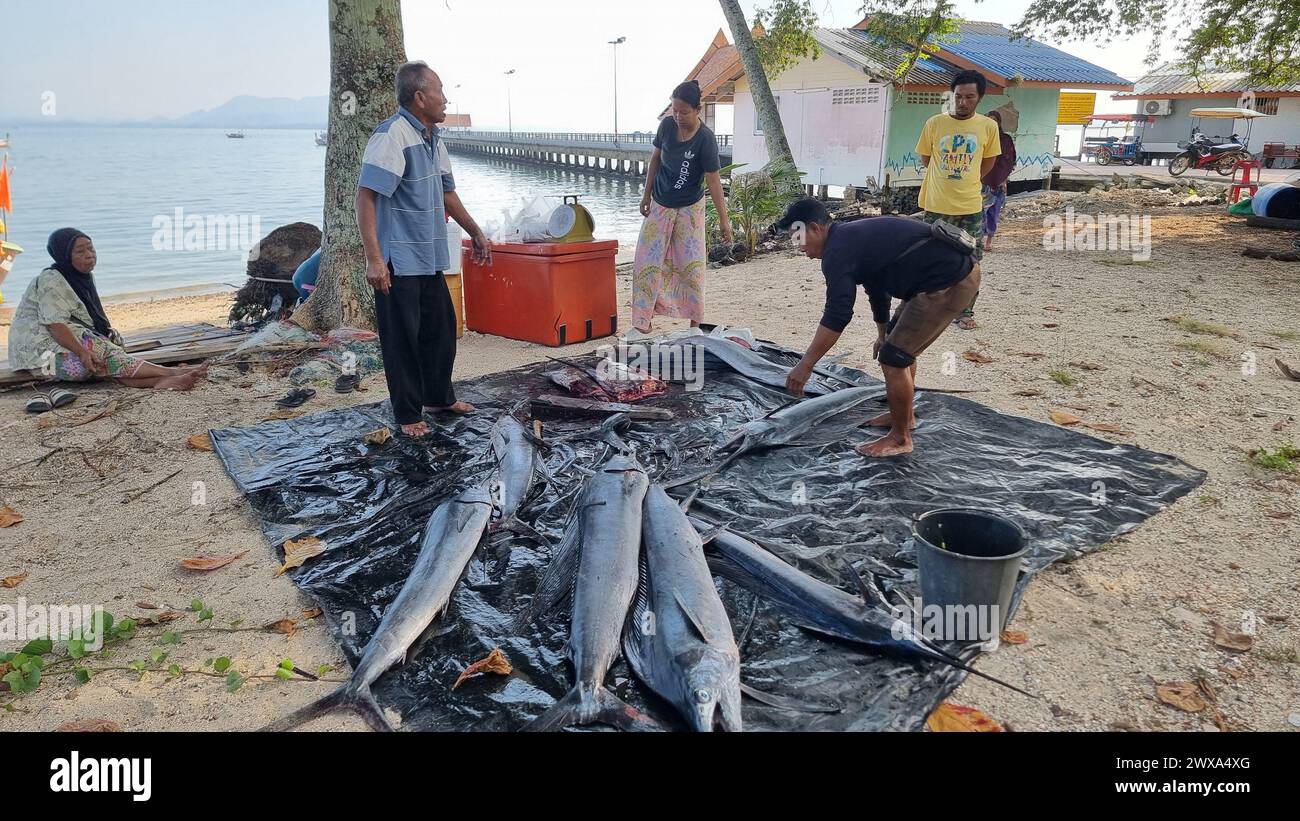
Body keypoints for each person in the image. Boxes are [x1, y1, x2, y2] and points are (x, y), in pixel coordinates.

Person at [779, 198, 980, 458]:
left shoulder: (837, 252)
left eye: (798, 239)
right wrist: (882, 333)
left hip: (949, 281)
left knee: (894, 359)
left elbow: (838, 315)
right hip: (935, 278)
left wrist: (805, 365)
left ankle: (900, 438)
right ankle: (904, 418)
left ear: (816, 228)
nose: (800, 249)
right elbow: (877, 287)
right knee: (894, 348)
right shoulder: (848, 237)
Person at [356, 61, 491, 438]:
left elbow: (447, 193)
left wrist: (475, 231)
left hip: (429, 255)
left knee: (441, 331)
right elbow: (365, 198)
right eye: (441, 91)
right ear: (420, 97)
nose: (446, 98)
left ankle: (437, 398)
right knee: (402, 341)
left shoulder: (433, 138)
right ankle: (407, 413)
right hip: (398, 259)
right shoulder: (392, 136)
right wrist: (374, 258)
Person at [7, 228, 208, 404]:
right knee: (97, 359)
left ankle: (159, 380)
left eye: (91, 249)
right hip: (37, 354)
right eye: (80, 251)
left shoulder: (82, 277)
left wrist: (100, 343)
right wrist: (83, 351)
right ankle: (172, 372)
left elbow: (90, 320)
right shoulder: (51, 279)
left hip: (62, 338)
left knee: (105, 355)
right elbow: (55, 325)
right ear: (64, 255)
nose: (89, 255)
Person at [630, 80, 733, 335]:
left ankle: (694, 323)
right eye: (674, 110)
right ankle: (643, 319)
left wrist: (724, 220)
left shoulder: (705, 139)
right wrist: (646, 195)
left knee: (691, 265)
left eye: (683, 112)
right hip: (660, 202)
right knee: (647, 261)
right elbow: (655, 160)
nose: (678, 116)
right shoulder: (666, 126)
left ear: (698, 110)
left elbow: (713, 181)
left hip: (690, 208)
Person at [914, 69, 1000, 330]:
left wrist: (968, 179)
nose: (963, 102)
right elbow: (927, 159)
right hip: (936, 204)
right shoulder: (935, 124)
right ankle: (930, 309)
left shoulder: (988, 126)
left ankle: (965, 312)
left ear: (979, 98)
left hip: (970, 206)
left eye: (969, 97)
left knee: (971, 261)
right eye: (958, 96)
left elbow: (988, 163)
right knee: (930, 258)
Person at [980, 109, 1017, 252]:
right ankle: (980, 239)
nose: (992, 124)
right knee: (980, 212)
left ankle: (989, 240)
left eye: (994, 121)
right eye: (989, 121)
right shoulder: (981, 138)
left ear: (999, 123)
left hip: (999, 182)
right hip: (982, 181)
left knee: (993, 212)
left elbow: (1009, 162)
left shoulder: (1005, 140)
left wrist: (1004, 179)